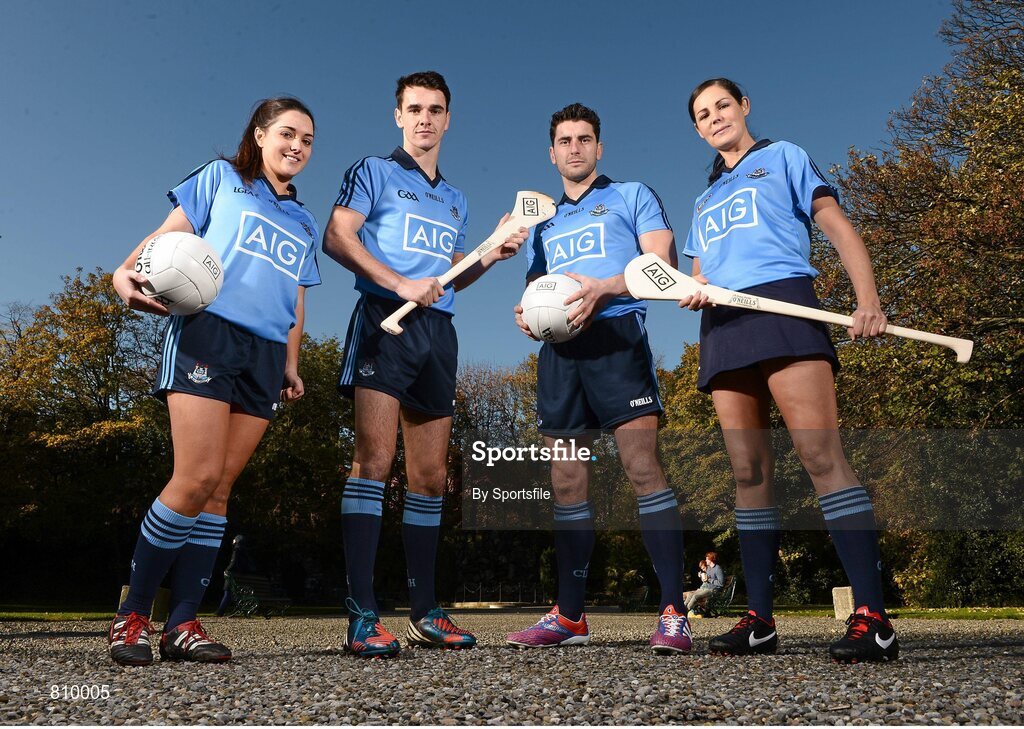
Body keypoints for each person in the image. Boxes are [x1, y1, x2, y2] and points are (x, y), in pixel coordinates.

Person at [680, 78, 898, 662]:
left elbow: (837, 227)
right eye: (703, 114)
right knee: (748, 473)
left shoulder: (785, 157)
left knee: (821, 456)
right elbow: (700, 274)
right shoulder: (702, 199)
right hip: (724, 326)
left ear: (744, 106)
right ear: (697, 129)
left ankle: (873, 617)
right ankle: (759, 621)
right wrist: (692, 291)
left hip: (784, 306)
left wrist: (867, 300)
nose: (715, 117)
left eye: (723, 105)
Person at [108, 98, 321, 666]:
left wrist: (290, 364)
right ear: (260, 133)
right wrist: (121, 273)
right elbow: (164, 239)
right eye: (287, 134)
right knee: (195, 475)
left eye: (307, 139)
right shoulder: (220, 177)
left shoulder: (303, 219)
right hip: (208, 333)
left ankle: (183, 624)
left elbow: (295, 298)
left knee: (221, 489)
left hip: (266, 353)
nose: (296, 146)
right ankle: (133, 615)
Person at [322, 71, 526, 658]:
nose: (425, 119)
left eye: (435, 110)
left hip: (438, 335)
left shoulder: (455, 197)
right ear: (397, 115)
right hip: (385, 321)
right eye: (414, 109)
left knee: (431, 478)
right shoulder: (374, 171)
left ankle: (424, 611)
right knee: (373, 460)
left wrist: (494, 249)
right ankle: (362, 613)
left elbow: (456, 273)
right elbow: (338, 239)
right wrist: (401, 282)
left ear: (448, 119)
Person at [505, 103, 691, 655]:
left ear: (599, 147)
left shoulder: (632, 195)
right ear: (552, 152)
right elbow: (536, 287)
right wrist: (526, 312)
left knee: (641, 468)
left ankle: (673, 612)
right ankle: (569, 613)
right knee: (566, 484)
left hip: (617, 343)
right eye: (564, 140)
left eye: (584, 139)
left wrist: (605, 287)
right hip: (561, 357)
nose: (574, 148)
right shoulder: (543, 221)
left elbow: (662, 264)